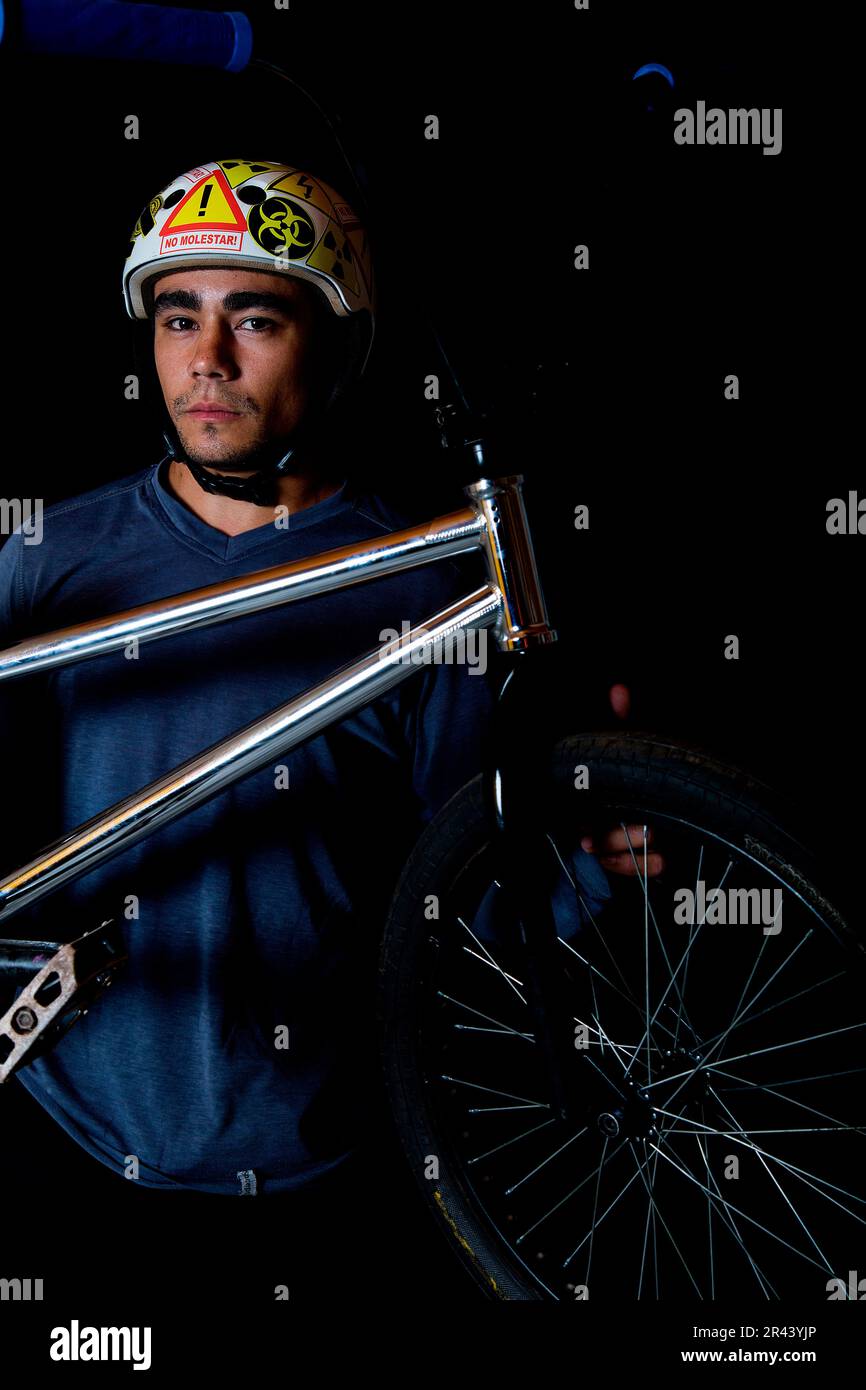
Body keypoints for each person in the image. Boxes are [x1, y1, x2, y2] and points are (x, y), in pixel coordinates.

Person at [0, 158, 661, 1305]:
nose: (205, 359)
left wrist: (590, 868)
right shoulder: (46, 561)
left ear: (338, 343)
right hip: (74, 1144)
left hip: (329, 1163)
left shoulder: (428, 583)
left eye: (253, 317)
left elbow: (462, 892)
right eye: (176, 317)